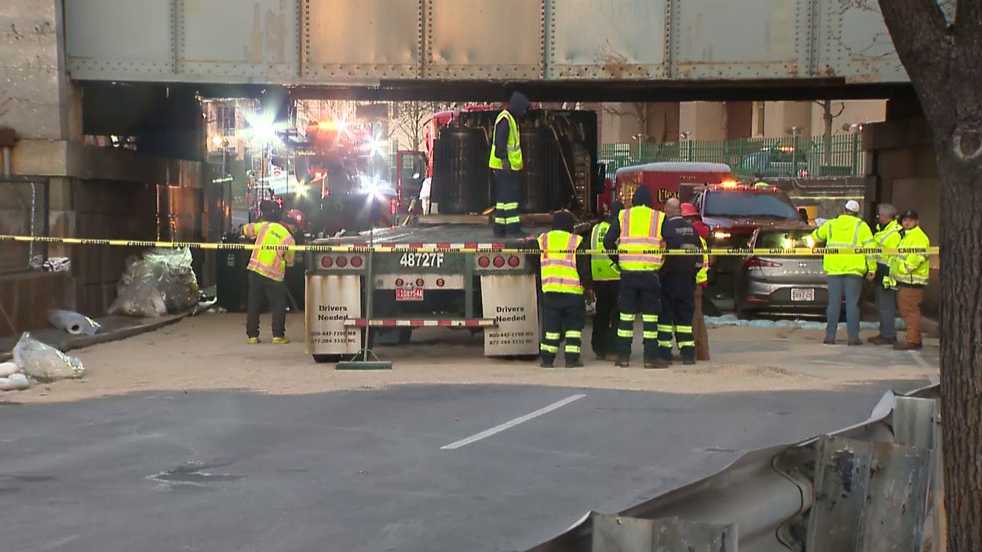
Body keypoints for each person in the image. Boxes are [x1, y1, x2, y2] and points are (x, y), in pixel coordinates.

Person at [603, 186, 667, 368]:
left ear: (634, 200)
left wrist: (619, 259)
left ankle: (623, 357)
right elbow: (670, 242)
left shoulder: (623, 216)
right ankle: (650, 358)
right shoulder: (658, 217)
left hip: (628, 274)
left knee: (626, 317)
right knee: (650, 318)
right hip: (650, 274)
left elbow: (608, 241)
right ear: (650, 201)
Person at [810, 200, 875, 346]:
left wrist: (799, 242)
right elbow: (871, 249)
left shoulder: (831, 224)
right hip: (854, 271)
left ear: (844, 210)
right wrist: (872, 268)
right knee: (852, 305)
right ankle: (853, 338)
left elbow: (815, 237)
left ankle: (830, 336)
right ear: (857, 213)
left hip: (834, 269)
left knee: (833, 304)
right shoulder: (861, 226)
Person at [537, 210, 592, 368]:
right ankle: (571, 360)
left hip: (550, 292)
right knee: (573, 329)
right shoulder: (576, 241)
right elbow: (584, 268)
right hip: (573, 293)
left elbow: (533, 257)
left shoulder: (543, 240)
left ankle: (547, 360)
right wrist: (588, 287)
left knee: (551, 328)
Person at [242, 200, 296, 345]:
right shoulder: (289, 239)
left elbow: (246, 229)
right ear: (290, 225)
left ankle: (252, 336)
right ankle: (278, 336)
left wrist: (248, 233)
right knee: (278, 304)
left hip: (255, 270)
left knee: (254, 303)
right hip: (274, 275)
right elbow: (290, 261)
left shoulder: (266, 226)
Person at [657, 199, 701, 365]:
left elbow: (661, 256)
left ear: (668, 209)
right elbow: (700, 258)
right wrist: (692, 274)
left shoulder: (665, 228)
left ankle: (664, 353)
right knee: (684, 319)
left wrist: (660, 274)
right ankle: (688, 354)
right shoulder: (692, 230)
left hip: (668, 280)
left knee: (665, 319)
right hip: (687, 281)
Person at [886, 209, 931, 351]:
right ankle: (914, 339)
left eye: (910, 220)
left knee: (910, 312)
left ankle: (912, 341)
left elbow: (916, 258)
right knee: (908, 311)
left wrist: (904, 268)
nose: (907, 222)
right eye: (905, 220)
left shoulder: (918, 237)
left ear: (916, 221)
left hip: (911, 281)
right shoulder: (906, 236)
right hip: (906, 281)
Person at [488, 91, 530, 237]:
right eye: (523, 109)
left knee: (502, 200)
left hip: (503, 166)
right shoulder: (506, 119)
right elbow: (500, 143)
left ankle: (499, 229)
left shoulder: (509, 118)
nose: (524, 112)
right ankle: (513, 229)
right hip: (505, 166)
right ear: (517, 106)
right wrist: (505, 161)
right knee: (511, 199)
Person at [590, 201, 622, 361]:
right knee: (616, 315)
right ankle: (614, 348)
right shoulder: (619, 229)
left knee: (601, 314)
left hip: (599, 277)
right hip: (616, 276)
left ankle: (598, 348)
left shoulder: (596, 228)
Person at [868, 204, 902, 345]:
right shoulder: (883, 230)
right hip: (882, 271)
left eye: (880, 215)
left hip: (888, 273)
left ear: (887, 216)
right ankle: (885, 333)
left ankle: (888, 335)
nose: (878, 217)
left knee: (886, 305)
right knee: (882, 305)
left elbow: (891, 256)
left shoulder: (893, 233)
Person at [682, 202, 711, 361]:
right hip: (699, 281)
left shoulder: (693, 237)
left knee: (693, 320)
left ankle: (692, 353)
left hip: (694, 282)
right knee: (698, 320)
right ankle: (702, 354)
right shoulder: (700, 235)